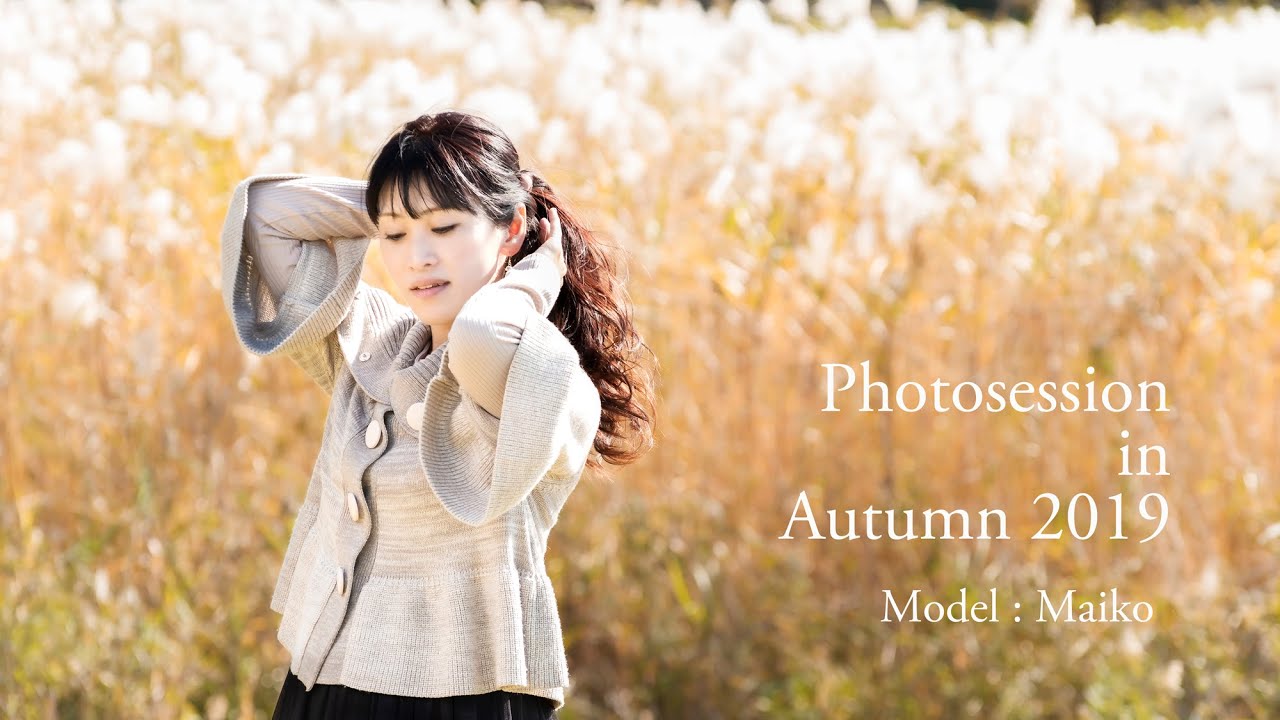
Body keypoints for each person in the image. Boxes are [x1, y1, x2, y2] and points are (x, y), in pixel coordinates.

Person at [217, 110, 656, 719]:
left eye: (446, 228)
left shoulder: (541, 374)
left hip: (460, 698)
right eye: (394, 237)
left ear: (511, 230)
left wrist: (537, 273)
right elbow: (263, 212)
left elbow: (481, 334)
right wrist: (399, 199)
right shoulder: (374, 343)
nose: (417, 257)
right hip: (327, 687)